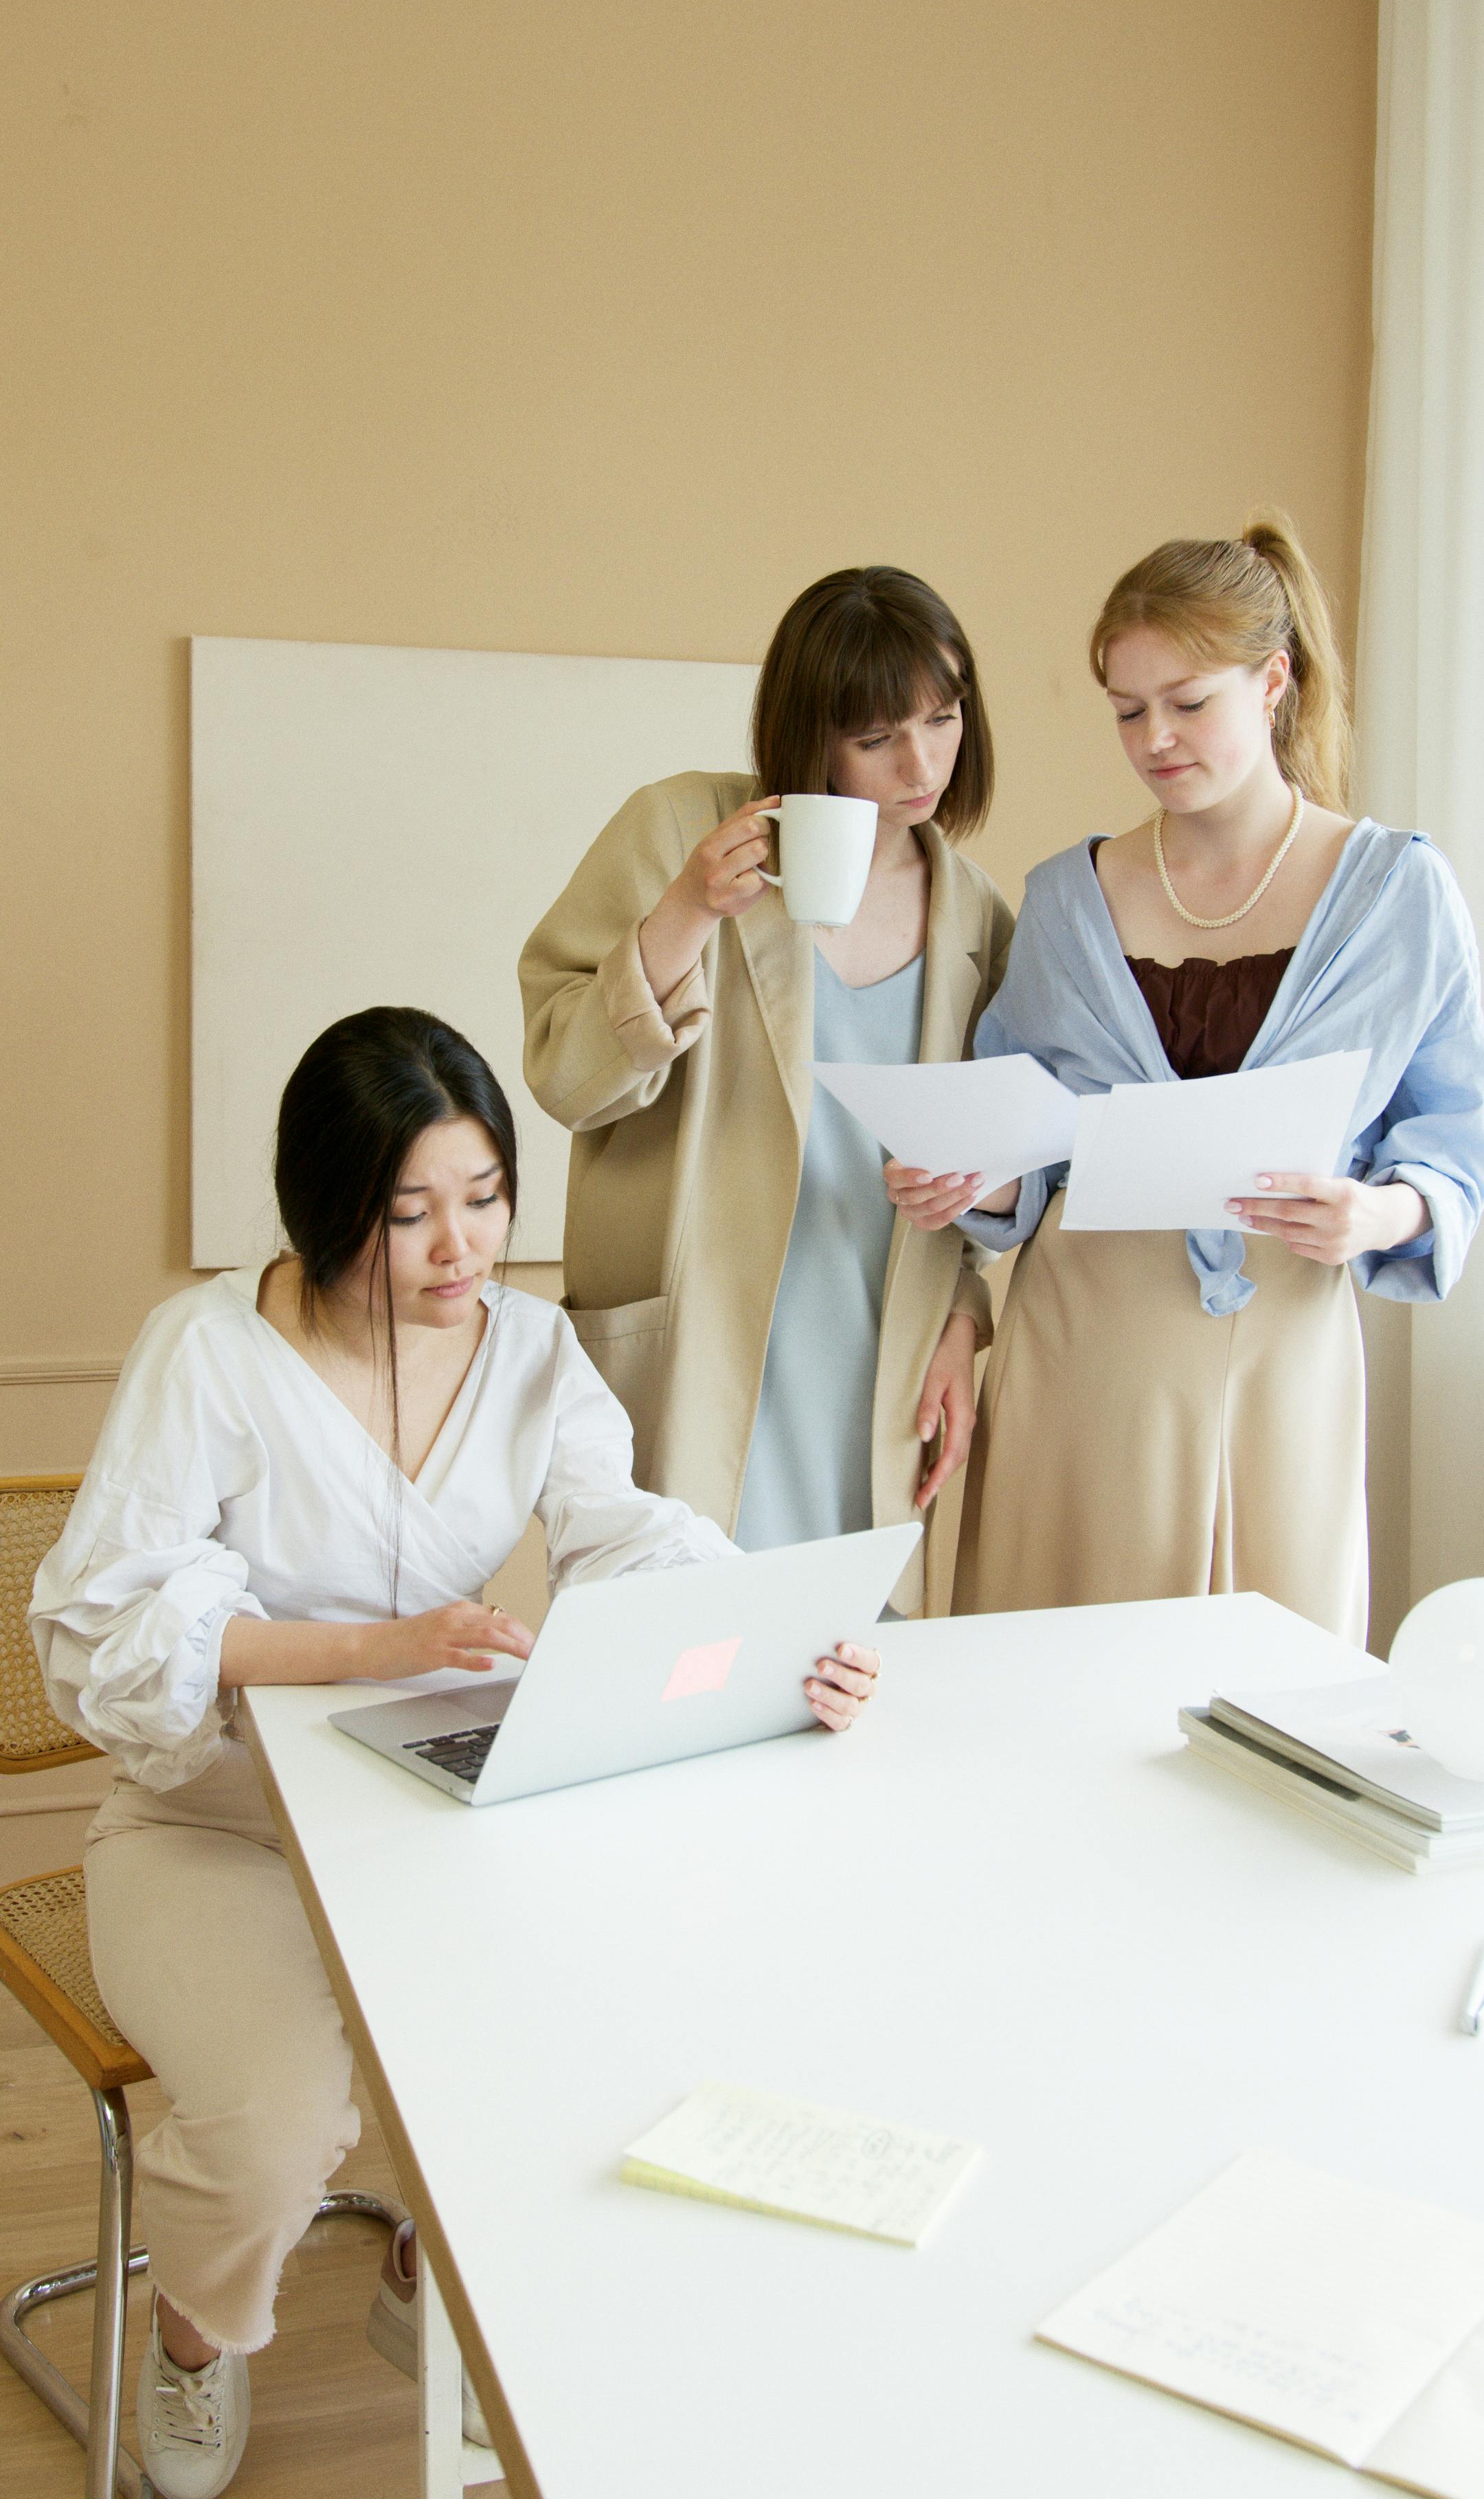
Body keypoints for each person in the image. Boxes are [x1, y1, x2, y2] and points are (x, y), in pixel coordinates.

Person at [30, 1007, 880, 2499]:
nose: (459, 1248)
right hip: (214, 1825)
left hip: (438, 1808)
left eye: (484, 1198)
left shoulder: (532, 1350)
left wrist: (779, 1647)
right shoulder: (210, 1352)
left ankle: (432, 2276)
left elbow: (630, 1541)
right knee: (279, 2125)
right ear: (327, 1206)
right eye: (409, 1213)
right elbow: (110, 1630)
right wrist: (371, 1650)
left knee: (593, 2033)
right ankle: (192, 2335)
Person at [886, 515, 1484, 1641]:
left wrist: (1379, 1213)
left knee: (1268, 1701)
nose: (1155, 738)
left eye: (1188, 702)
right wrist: (973, 1179)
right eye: (1128, 711)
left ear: (1274, 682)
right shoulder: (1067, 901)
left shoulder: (1400, 895)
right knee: (1055, 1686)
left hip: (1286, 1359)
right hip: (1080, 1357)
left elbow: (1460, 1133)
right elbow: (1031, 1152)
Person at [519, 567, 1014, 1616]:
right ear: (810, 736)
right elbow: (566, 1077)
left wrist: (965, 1321)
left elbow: (987, 1175)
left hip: (874, 1364)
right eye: (878, 737)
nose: (922, 764)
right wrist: (689, 911)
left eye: (943, 718)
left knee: (846, 1665)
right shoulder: (678, 832)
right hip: (703, 1350)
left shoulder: (977, 919)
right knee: (678, 1650)